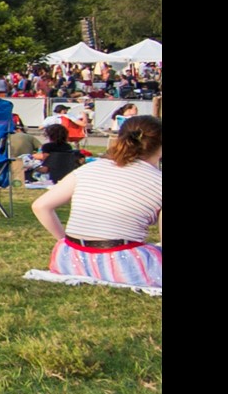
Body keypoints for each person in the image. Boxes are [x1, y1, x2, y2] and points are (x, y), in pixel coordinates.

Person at [31, 114, 162, 287]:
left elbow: (40, 206)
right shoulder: (157, 180)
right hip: (124, 263)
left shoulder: (89, 169)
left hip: (71, 259)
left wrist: (64, 241)